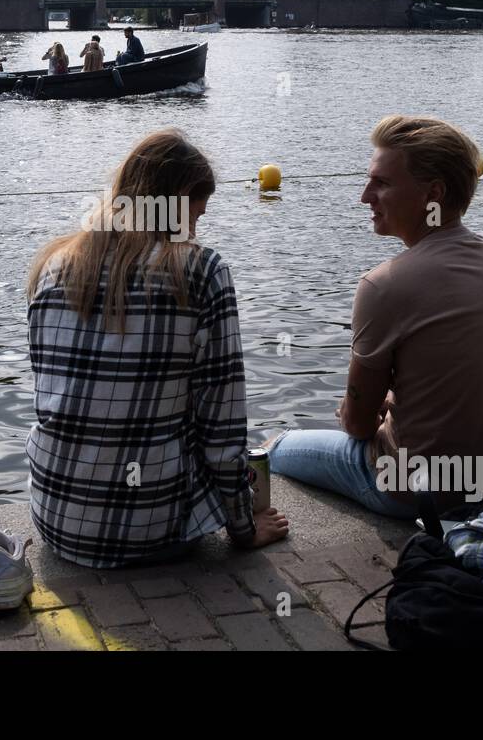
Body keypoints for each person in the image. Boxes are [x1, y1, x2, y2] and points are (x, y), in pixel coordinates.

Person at [26, 130, 289, 568]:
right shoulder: (203, 272)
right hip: (151, 532)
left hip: (57, 520)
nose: (195, 230)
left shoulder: (54, 264)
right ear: (179, 198)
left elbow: (51, 396)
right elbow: (222, 429)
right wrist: (243, 527)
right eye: (197, 215)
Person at [267, 116, 483, 516]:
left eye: (381, 183)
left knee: (277, 448)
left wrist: (358, 411)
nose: (365, 196)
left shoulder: (384, 285)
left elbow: (358, 427)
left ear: (433, 194)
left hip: (419, 491)